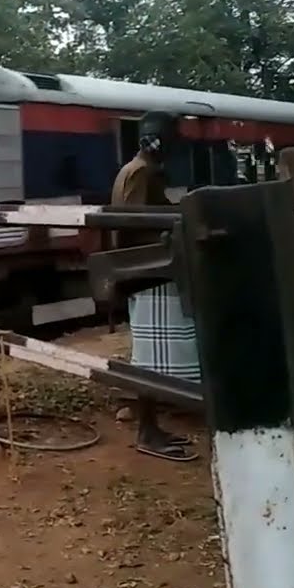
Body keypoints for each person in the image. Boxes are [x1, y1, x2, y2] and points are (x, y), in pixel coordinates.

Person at [110, 111, 200, 462]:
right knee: (148, 356)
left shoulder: (136, 170)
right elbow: (136, 224)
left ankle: (151, 426)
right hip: (147, 271)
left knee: (148, 353)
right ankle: (147, 431)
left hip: (143, 270)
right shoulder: (142, 173)